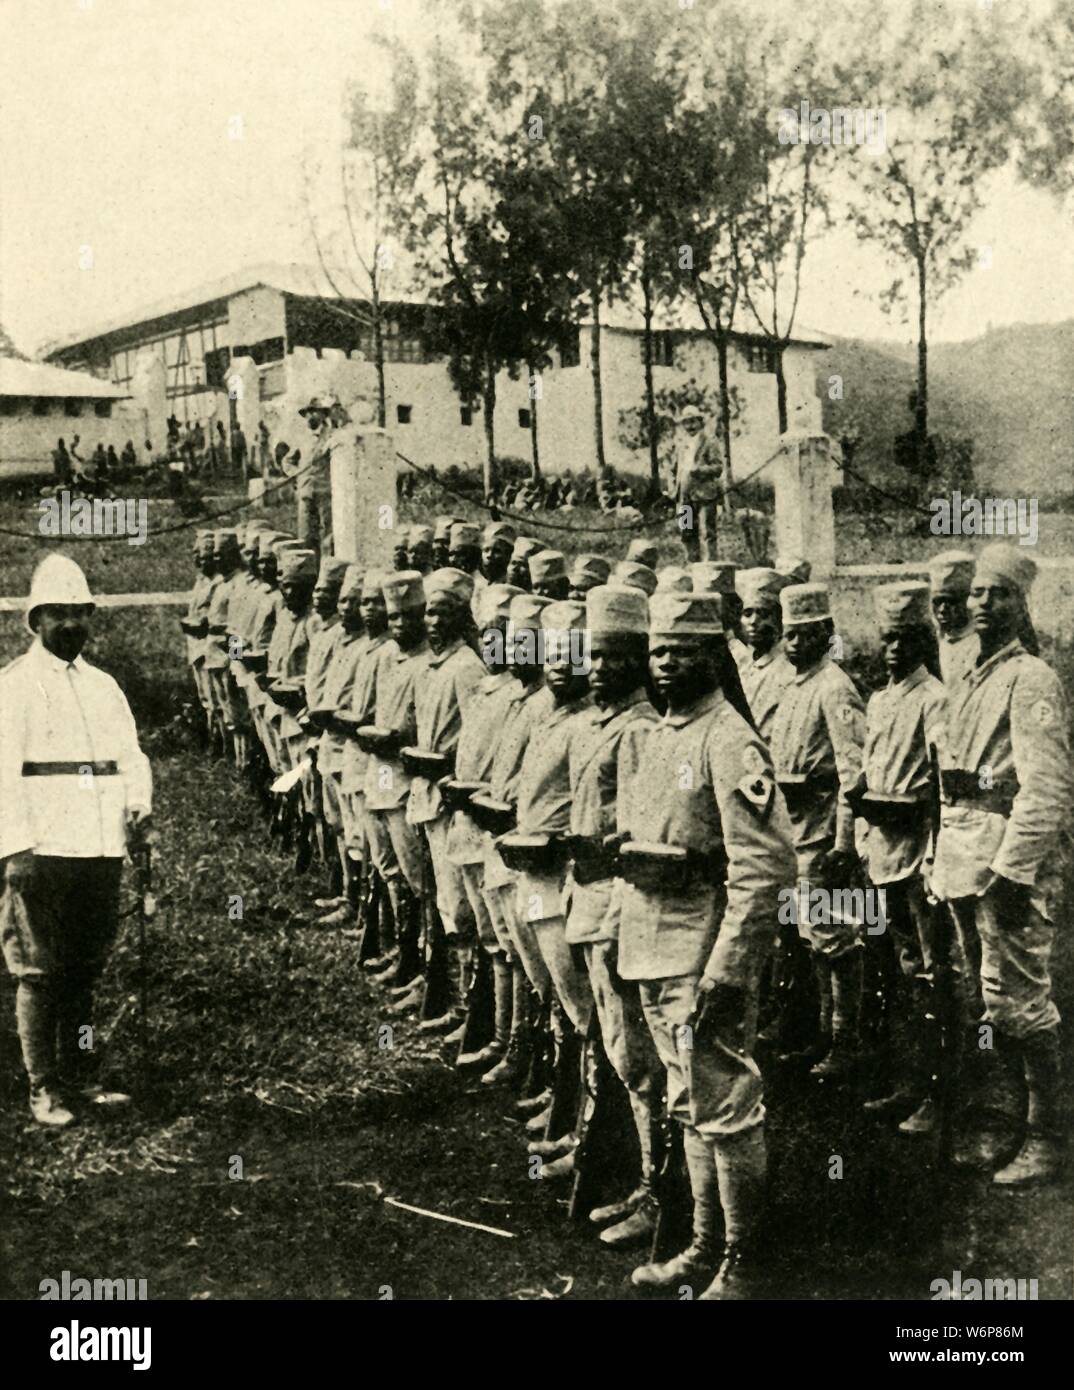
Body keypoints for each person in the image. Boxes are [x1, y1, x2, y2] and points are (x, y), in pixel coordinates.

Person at [618, 590, 795, 1299]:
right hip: (653, 942)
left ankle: (746, 1261)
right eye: (657, 651)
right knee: (689, 1101)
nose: (665, 664)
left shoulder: (730, 739)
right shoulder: (659, 733)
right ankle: (702, 1245)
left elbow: (765, 870)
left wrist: (727, 970)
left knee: (726, 1105)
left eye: (681, 651)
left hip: (702, 950)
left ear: (712, 655)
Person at [929, 544, 1073, 1185]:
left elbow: (1047, 790)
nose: (983, 603)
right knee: (978, 998)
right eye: (978, 593)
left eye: (1000, 595)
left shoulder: (1032, 678)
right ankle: (997, 1114)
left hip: (1007, 861)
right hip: (962, 852)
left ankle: (1047, 1134)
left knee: (1019, 1000)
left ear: (1021, 606)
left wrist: (1015, 872)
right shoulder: (966, 670)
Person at [0, 555, 152, 1127]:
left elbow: (131, 757)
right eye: (57, 615)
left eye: (79, 614)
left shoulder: (104, 687)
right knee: (39, 970)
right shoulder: (13, 687)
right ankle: (43, 1086)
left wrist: (140, 809)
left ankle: (83, 1074)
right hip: (42, 850)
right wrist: (15, 848)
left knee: (85, 970)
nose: (70, 625)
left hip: (98, 847)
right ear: (36, 620)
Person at [566, 582, 663, 1246]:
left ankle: (659, 1192)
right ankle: (641, 1178)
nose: (600, 669)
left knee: (637, 1057)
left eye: (616, 658)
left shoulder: (639, 732)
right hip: (585, 897)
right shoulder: (594, 724)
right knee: (613, 1048)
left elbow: (638, 833)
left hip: (619, 906)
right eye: (594, 657)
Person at [856, 582, 948, 1135]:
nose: (893, 650)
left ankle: (938, 1092)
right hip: (881, 850)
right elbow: (869, 770)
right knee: (895, 970)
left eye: (905, 638)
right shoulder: (880, 698)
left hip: (918, 852)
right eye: (887, 639)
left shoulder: (933, 698)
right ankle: (907, 1081)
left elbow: (938, 781)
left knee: (932, 975)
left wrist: (933, 846)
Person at [768, 582, 867, 1079]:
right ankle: (825, 1033)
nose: (793, 644)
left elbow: (854, 770)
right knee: (811, 937)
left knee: (837, 937)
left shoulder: (834, 686)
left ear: (825, 633)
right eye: (788, 635)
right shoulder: (793, 686)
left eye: (805, 635)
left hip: (825, 831)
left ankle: (847, 1040)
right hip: (794, 827)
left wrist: (845, 843)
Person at [736, 568, 795, 741]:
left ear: (779, 618)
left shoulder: (787, 670)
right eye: (748, 613)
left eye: (764, 614)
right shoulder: (743, 664)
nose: (754, 621)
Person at [672, 408, 724, 563]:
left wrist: (699, 470)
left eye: (693, 421)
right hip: (684, 497)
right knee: (686, 530)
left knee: (707, 532)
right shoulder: (681, 445)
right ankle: (691, 565)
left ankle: (710, 568)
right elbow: (674, 469)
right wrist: (673, 487)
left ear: (700, 422)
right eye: (686, 423)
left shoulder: (710, 441)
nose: (690, 426)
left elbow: (718, 467)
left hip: (705, 496)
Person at [927, 549, 978, 686]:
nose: (943, 610)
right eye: (937, 602)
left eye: (951, 602)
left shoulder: (980, 642)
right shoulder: (931, 641)